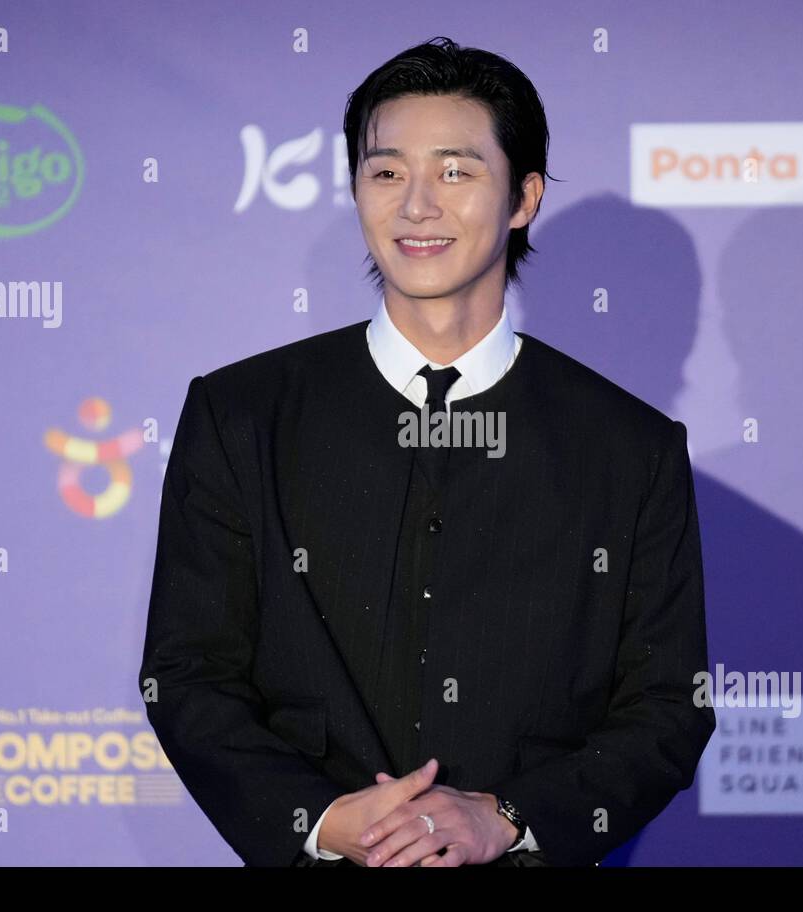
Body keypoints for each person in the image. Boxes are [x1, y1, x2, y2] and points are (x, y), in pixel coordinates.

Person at [139, 36, 714, 867]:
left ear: (524, 197)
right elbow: (188, 673)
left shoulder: (631, 448)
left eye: (454, 171)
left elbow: (668, 708)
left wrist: (507, 818)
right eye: (385, 173)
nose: (415, 206)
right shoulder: (242, 415)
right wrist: (323, 818)